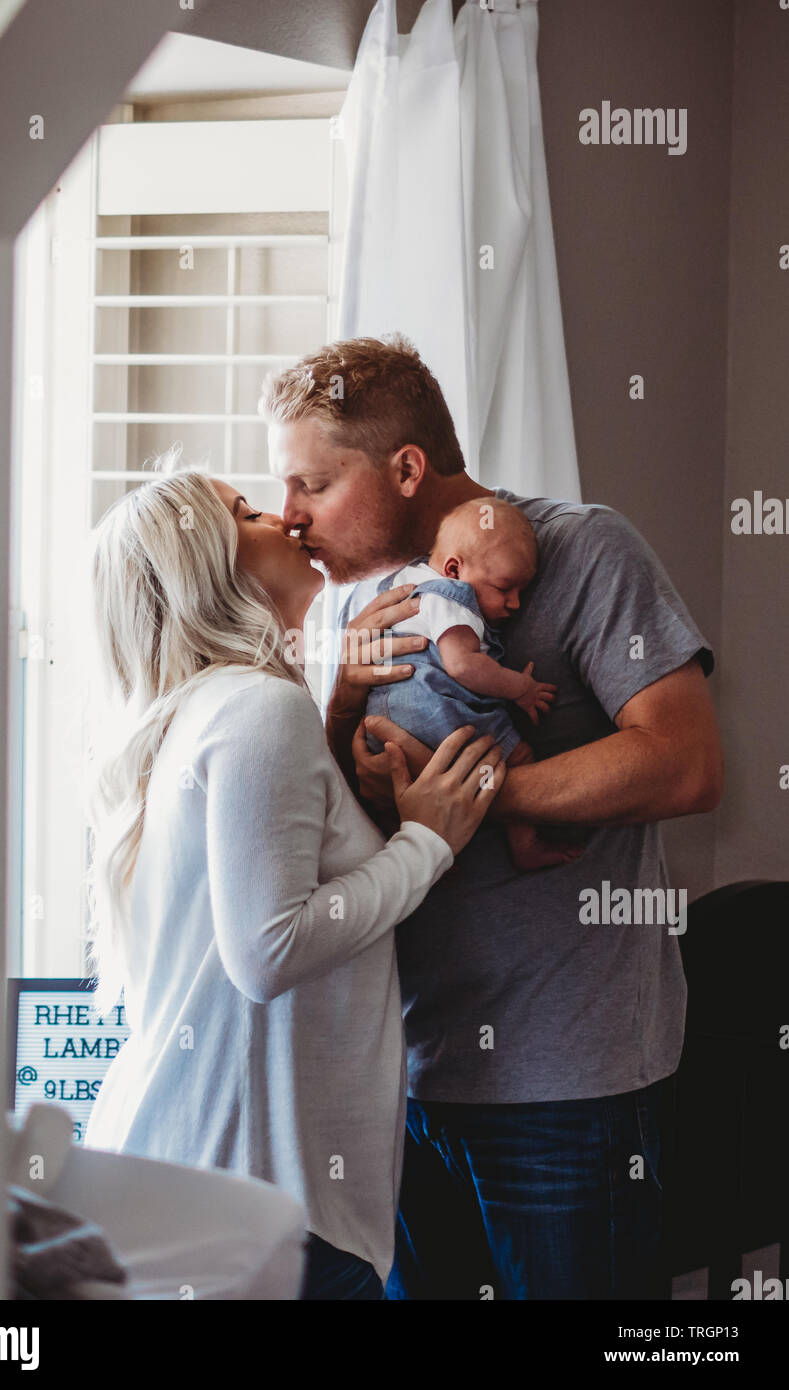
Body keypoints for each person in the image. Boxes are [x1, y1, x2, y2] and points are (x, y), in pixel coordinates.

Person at [260, 333, 723, 1299]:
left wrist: (474, 799)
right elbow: (348, 831)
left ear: (406, 468)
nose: (288, 517)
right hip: (401, 1075)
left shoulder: (581, 549)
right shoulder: (357, 608)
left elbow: (684, 765)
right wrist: (341, 703)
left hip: (566, 1085)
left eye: (313, 486)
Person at [81, 458, 505, 1300]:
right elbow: (268, 952)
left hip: (187, 1181)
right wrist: (426, 842)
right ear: (204, 567)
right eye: (245, 515)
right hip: (244, 1197)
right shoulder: (252, 712)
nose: (284, 519)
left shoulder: (207, 713)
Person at [363, 495, 582, 872]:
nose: (514, 603)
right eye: (504, 588)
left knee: (403, 796)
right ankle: (526, 847)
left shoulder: (404, 581)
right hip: (434, 709)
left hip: (385, 712)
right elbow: (463, 666)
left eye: (521, 593)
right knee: (519, 758)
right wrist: (520, 688)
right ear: (453, 569)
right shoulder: (452, 597)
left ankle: (411, 855)